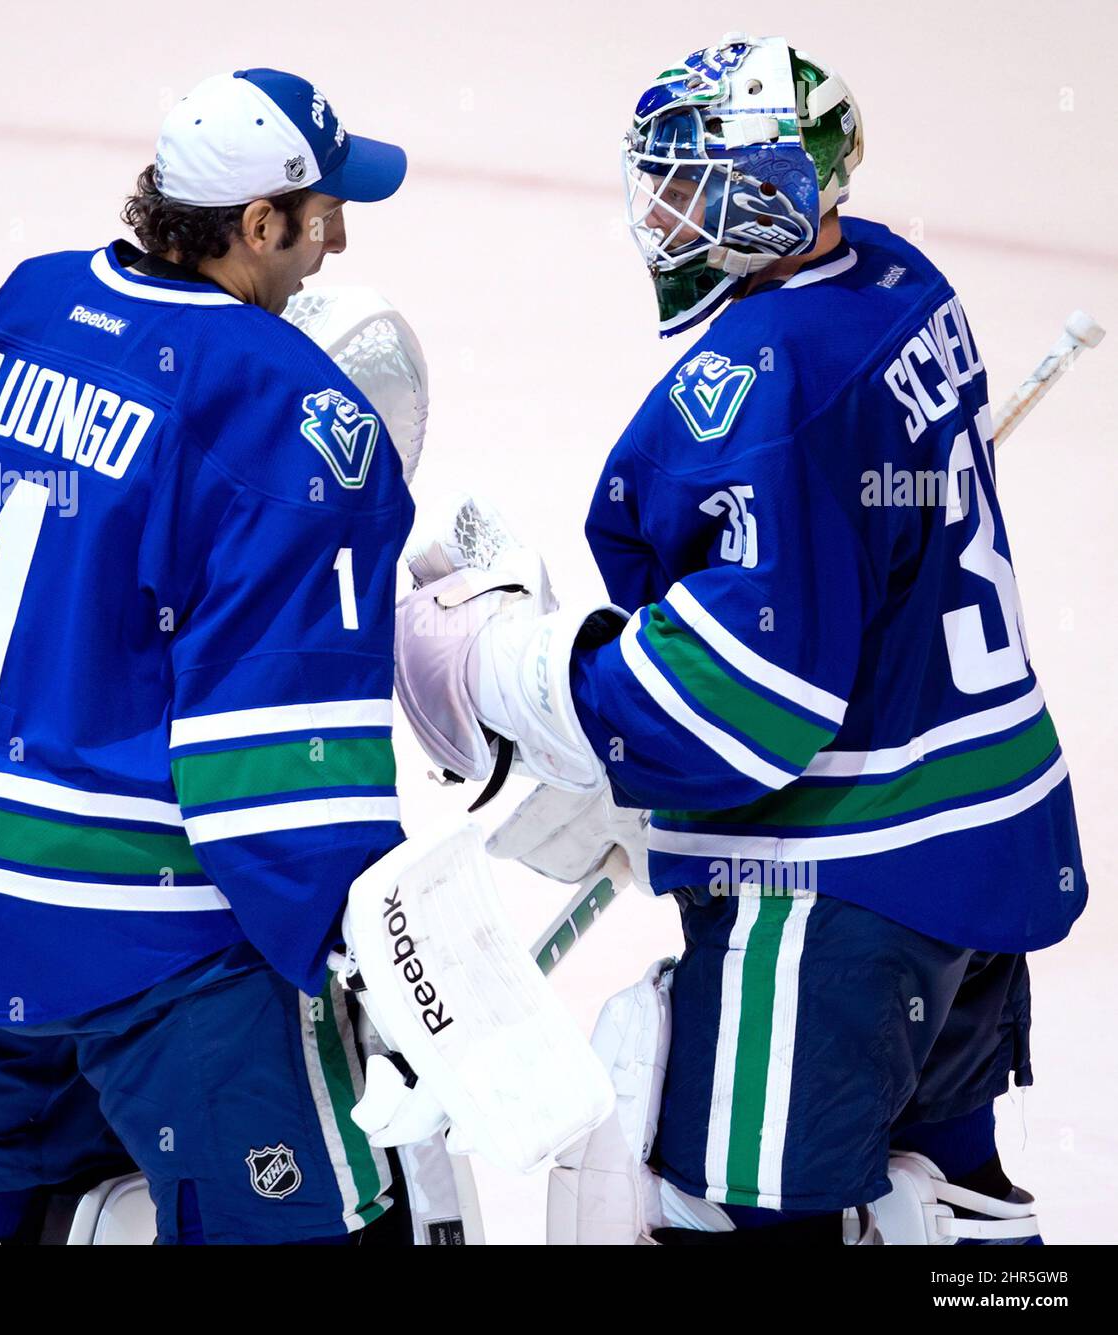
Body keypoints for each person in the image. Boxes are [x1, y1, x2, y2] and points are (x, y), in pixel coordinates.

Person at [396, 32, 1086, 1244]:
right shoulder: (895, 280)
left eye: (685, 179)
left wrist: (501, 666)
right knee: (948, 1191)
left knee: (725, 1211)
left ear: (764, 195)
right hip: (981, 838)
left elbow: (734, 709)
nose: (656, 208)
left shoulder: (760, 389)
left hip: (834, 884)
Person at [0, 68, 416, 1245]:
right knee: (309, 1228)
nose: (337, 236)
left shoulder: (29, 303)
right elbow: (275, 763)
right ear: (256, 224)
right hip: (135, 940)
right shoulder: (295, 411)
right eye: (320, 212)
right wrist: (370, 943)